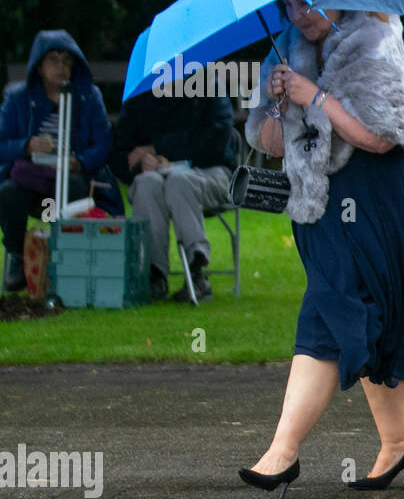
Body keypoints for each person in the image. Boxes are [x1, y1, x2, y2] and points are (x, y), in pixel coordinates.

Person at [239, 0, 404, 498]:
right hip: (317, 210)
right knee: (359, 314)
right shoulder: (285, 53)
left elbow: (383, 135)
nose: (299, 14)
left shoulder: (375, 39)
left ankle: (283, 452)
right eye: (290, 5)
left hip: (376, 200)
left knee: (336, 312)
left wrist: (314, 95)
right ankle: (397, 443)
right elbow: (272, 145)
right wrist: (278, 103)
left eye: (309, 0)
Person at [1, 31, 121, 291]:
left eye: (67, 61)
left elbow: (103, 144)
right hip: (30, 180)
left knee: (77, 187)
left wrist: (79, 161)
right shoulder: (17, 97)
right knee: (8, 192)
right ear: (39, 65)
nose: (61, 67)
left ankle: (67, 260)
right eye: (54, 59)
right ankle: (19, 257)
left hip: (71, 177)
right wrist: (26, 146)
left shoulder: (88, 97)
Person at [109, 83, 239, 302]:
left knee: (179, 181)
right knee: (145, 183)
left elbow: (214, 145)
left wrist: (158, 148)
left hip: (212, 173)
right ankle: (154, 275)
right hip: (159, 179)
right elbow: (120, 155)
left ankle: (197, 271)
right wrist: (140, 161)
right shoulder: (141, 94)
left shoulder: (210, 85)